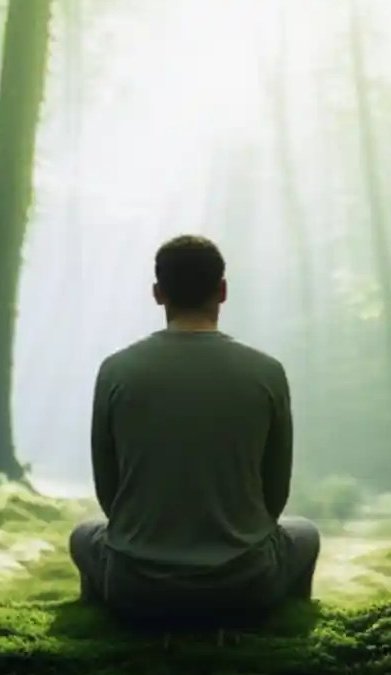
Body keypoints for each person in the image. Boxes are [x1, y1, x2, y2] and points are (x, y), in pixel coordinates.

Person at [69, 234, 320, 625]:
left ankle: (107, 631)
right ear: (222, 291)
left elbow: (109, 495)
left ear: (157, 293)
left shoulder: (116, 370)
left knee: (85, 533)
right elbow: (275, 497)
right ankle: (280, 633)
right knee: (304, 532)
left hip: (136, 584)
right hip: (246, 583)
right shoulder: (267, 372)